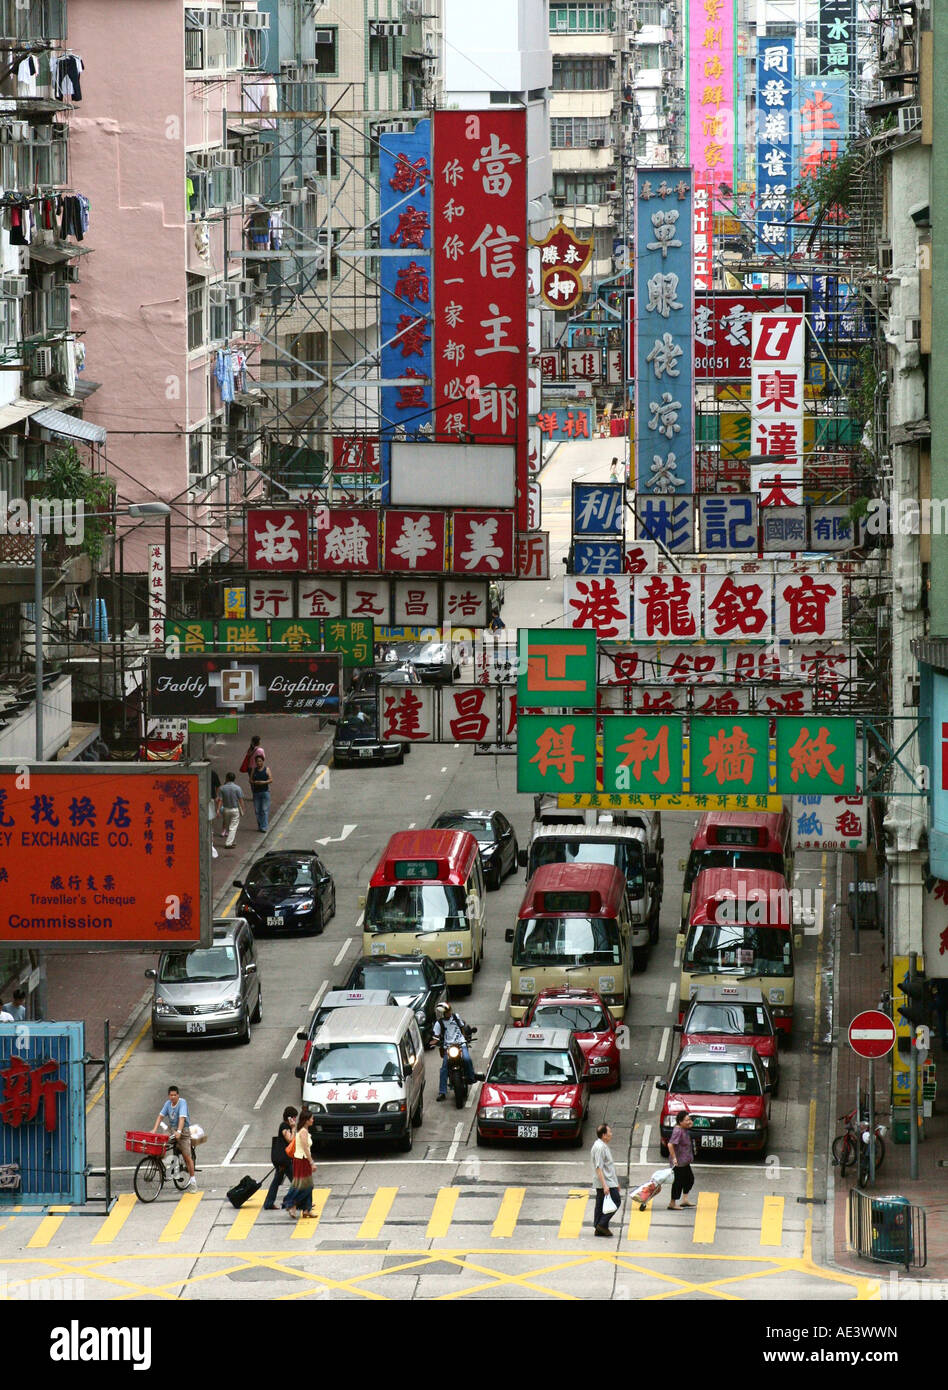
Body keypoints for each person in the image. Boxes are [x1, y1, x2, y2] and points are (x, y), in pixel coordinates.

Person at [432, 1001, 481, 1100]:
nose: (449, 1012)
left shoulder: (455, 1017)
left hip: (460, 1044)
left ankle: (471, 1077)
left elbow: (462, 1027)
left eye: (449, 1010)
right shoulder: (439, 1023)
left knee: (467, 1059)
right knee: (444, 1068)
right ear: (442, 1013)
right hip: (448, 1047)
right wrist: (434, 1042)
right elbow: (436, 1036)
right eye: (447, 1011)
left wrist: (465, 1037)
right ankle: (442, 1092)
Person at [153, 1085, 197, 1192]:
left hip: (183, 1131)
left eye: (174, 1095)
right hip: (172, 1129)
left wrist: (179, 1131)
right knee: (160, 1145)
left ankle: (193, 1181)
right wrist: (154, 1130)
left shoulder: (182, 1103)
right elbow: (160, 1116)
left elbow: (182, 1118)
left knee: (187, 1156)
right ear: (168, 1096)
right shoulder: (167, 1104)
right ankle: (168, 1168)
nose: (172, 1097)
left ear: (178, 1095)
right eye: (171, 1095)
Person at [263, 1105, 298, 1210]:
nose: (296, 1119)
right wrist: (293, 1128)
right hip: (284, 1160)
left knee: (277, 1181)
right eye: (295, 1117)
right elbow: (290, 1140)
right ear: (290, 1118)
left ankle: (269, 1203)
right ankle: (299, 1202)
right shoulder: (284, 1127)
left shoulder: (284, 1126)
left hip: (283, 1159)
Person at [284, 1109, 317, 1218]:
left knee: (304, 1184)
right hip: (302, 1160)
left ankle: (307, 1210)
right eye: (311, 1118)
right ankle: (290, 1203)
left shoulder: (302, 1130)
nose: (313, 1120)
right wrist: (311, 1162)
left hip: (301, 1160)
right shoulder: (303, 1131)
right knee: (307, 1186)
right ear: (307, 1120)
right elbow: (305, 1148)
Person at [591, 1122, 621, 1238]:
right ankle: (601, 1225)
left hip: (609, 1181)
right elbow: (599, 1167)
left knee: (600, 1204)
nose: (611, 1134)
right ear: (604, 1135)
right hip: (605, 1181)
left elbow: (610, 1166)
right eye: (609, 1132)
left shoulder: (602, 1145)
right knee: (616, 1201)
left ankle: (599, 1227)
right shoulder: (599, 1147)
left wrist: (616, 1182)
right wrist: (605, 1186)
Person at [667, 1110, 695, 1210]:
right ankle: (672, 1203)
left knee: (689, 1180)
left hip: (685, 1161)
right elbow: (670, 1145)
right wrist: (674, 1158)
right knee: (678, 1183)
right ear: (680, 1121)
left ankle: (685, 1200)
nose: (689, 1122)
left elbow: (690, 1125)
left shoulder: (684, 1128)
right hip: (678, 1162)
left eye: (689, 1119)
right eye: (686, 1120)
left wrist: (690, 1123)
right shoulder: (678, 1131)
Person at [218, 772, 245, 848]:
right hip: (235, 809)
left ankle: (232, 841)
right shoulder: (238, 788)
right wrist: (243, 808)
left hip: (226, 809)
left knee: (228, 826)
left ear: (227, 778)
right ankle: (228, 843)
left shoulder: (222, 788)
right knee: (233, 827)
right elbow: (240, 800)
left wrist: (218, 810)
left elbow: (220, 800)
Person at [249, 751, 273, 832]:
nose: (259, 763)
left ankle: (264, 827)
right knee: (257, 810)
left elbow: (271, 779)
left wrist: (264, 782)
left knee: (264, 810)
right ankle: (260, 825)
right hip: (256, 793)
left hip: (265, 792)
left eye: (260, 761)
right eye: (257, 761)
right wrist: (254, 782)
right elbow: (250, 780)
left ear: (263, 761)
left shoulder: (267, 769)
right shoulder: (254, 770)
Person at [209, 768, 221, 860]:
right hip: (211, 798)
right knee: (210, 822)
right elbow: (218, 786)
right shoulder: (213, 773)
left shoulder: (213, 774)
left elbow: (218, 786)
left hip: (210, 799)